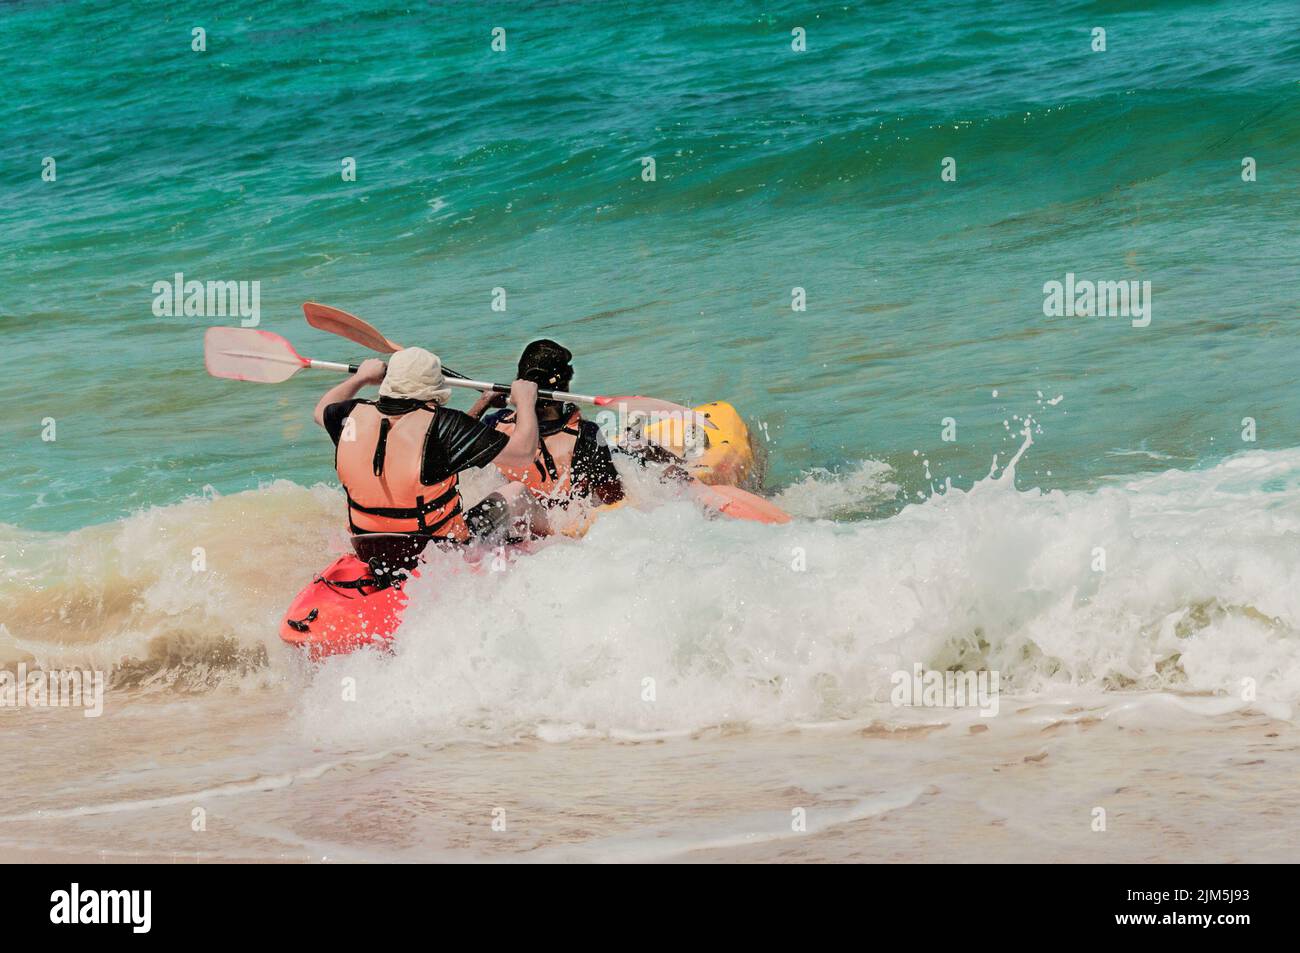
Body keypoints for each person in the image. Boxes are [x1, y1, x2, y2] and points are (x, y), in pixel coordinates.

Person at [312, 347, 548, 569]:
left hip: (368, 549)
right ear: (434, 392)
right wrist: (526, 401)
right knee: (517, 492)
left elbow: (320, 410)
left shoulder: (347, 416)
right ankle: (554, 546)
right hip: (438, 551)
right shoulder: (445, 426)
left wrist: (360, 378)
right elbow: (523, 452)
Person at [467, 339, 624, 508]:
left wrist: (483, 402)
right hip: (565, 530)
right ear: (564, 386)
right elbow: (613, 500)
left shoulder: (495, 423)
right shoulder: (585, 433)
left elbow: (452, 446)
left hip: (512, 522)